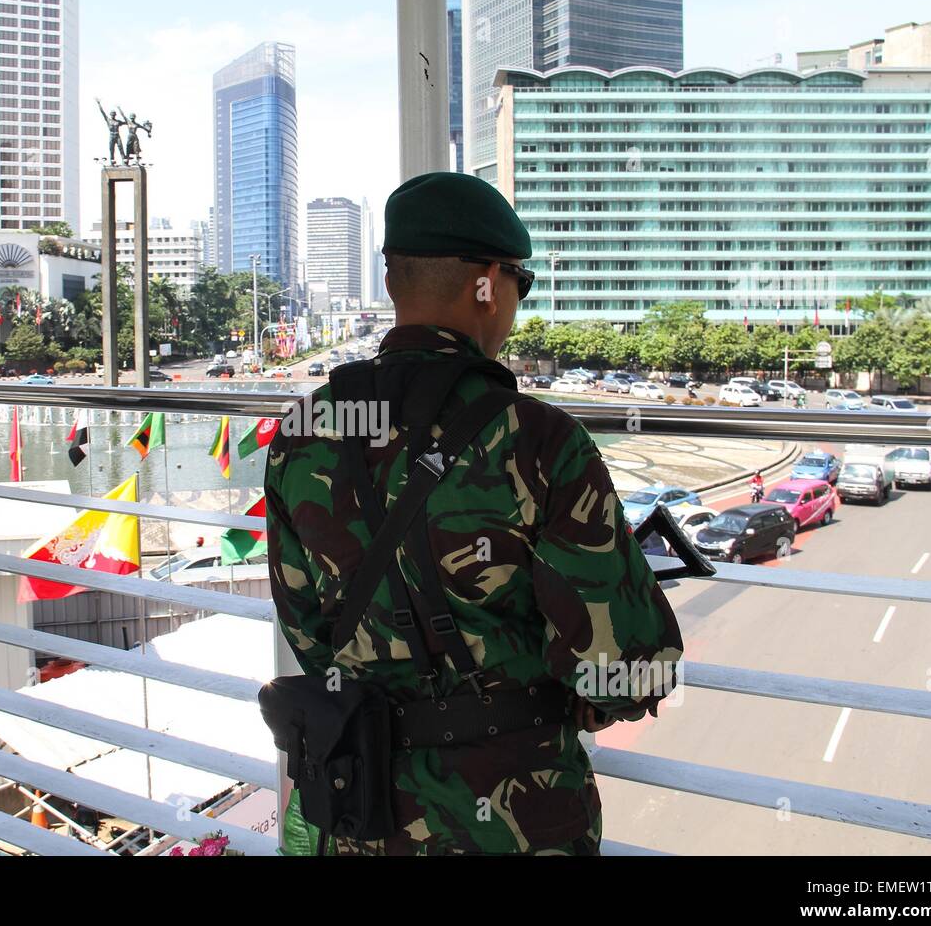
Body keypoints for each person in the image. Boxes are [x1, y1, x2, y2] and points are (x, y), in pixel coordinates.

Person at [265, 172, 684, 856]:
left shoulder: (304, 429)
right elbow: (629, 665)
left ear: (394, 276)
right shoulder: (539, 440)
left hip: (351, 809)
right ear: (489, 281)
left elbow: (310, 632)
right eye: (522, 281)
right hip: (515, 819)